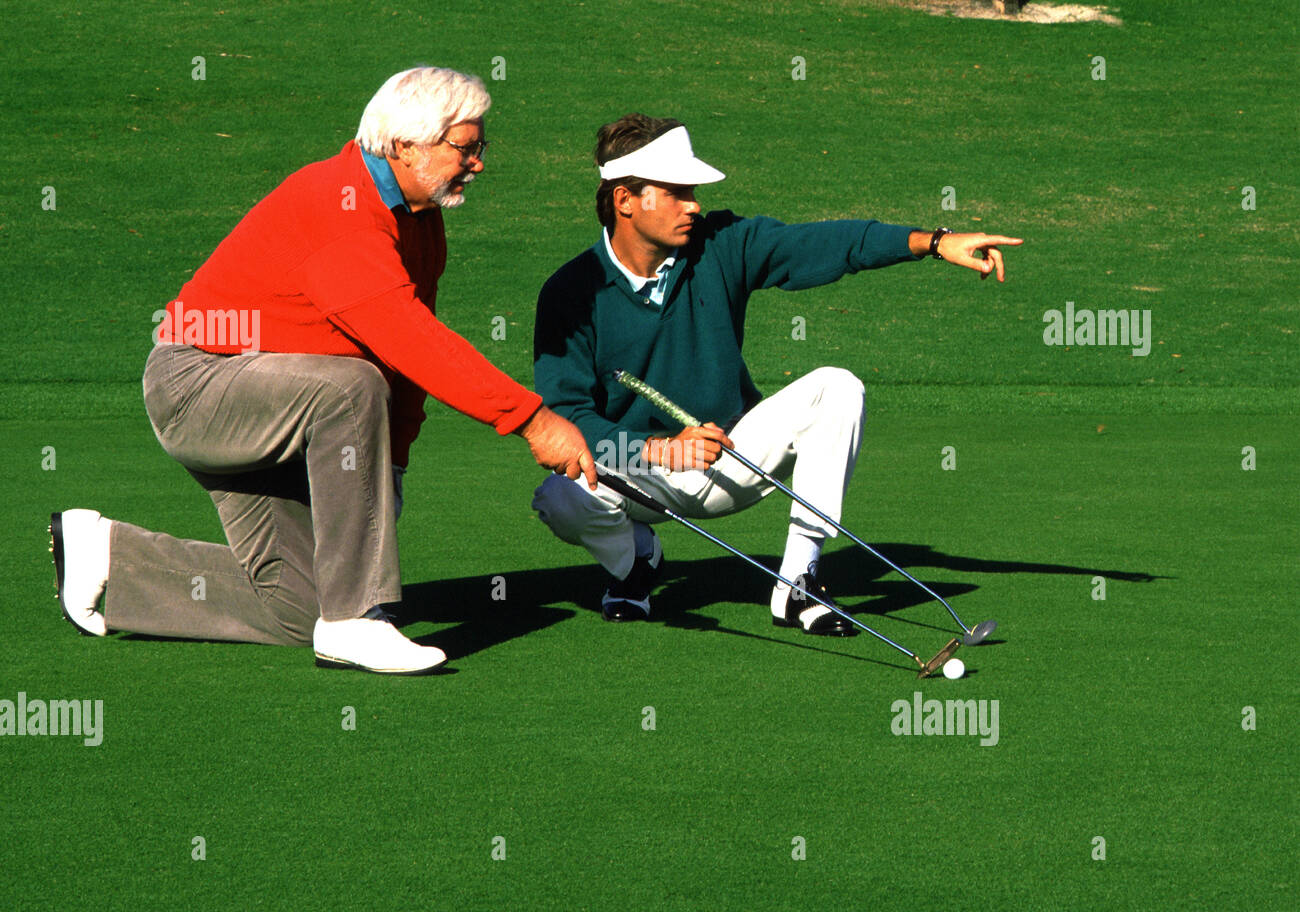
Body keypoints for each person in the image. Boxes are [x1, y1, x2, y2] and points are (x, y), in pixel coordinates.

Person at [49, 66, 595, 674]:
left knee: (296, 604)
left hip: (280, 402)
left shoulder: (420, 219)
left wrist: (390, 465)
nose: (477, 163)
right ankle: (355, 621)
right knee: (350, 385)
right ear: (405, 145)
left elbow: (406, 359)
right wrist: (531, 420)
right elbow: (411, 342)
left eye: (479, 148)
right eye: (465, 148)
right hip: (197, 386)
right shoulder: (339, 206)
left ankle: (108, 557)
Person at [531, 113, 1021, 633]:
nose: (693, 204)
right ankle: (634, 564)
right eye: (675, 192)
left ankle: (799, 581)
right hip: (638, 472)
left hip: (732, 455)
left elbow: (823, 244)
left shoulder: (721, 243)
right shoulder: (570, 292)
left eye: (691, 190)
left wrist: (934, 242)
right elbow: (566, 417)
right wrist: (658, 448)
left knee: (837, 387)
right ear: (625, 200)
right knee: (559, 497)